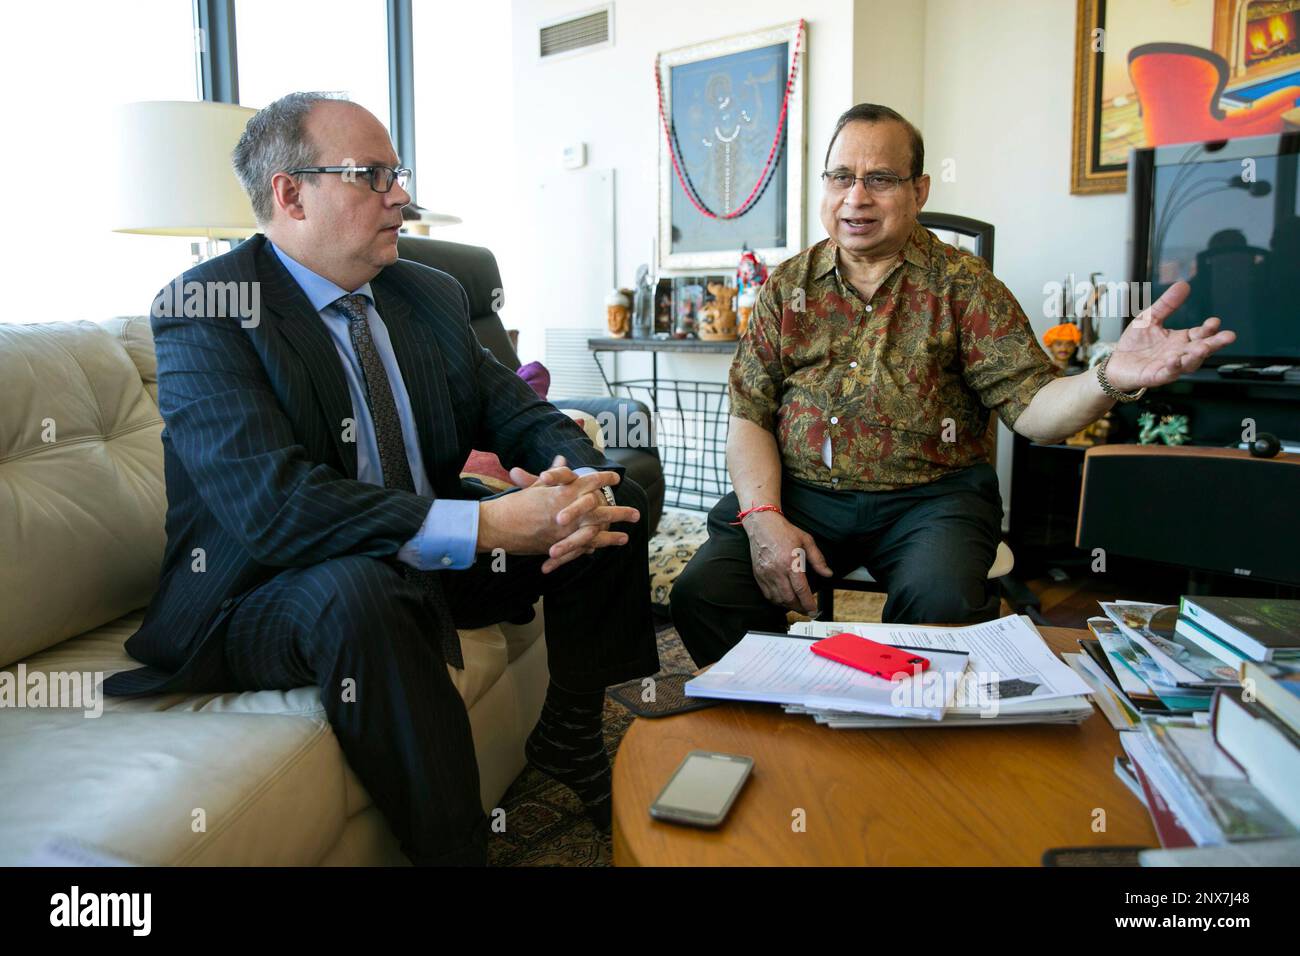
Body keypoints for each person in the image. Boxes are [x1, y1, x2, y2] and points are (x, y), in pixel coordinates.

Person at [103, 91, 659, 865]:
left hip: (427, 556)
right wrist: (492, 525)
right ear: (289, 194)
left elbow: (516, 411)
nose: (402, 195)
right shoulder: (209, 308)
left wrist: (573, 475)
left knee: (615, 497)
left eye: (398, 173)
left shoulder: (425, 294)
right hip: (266, 588)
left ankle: (568, 732)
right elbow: (274, 507)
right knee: (360, 588)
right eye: (373, 175)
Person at [670, 103, 1236, 667]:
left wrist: (1109, 375)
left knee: (939, 611)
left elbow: (1034, 406)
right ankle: (781, 719)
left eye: (881, 180)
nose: (856, 197)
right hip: (804, 492)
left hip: (930, 499)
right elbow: (750, 413)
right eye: (841, 177)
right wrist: (765, 515)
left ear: (919, 191)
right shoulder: (787, 287)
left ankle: (907, 739)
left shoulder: (965, 286)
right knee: (706, 592)